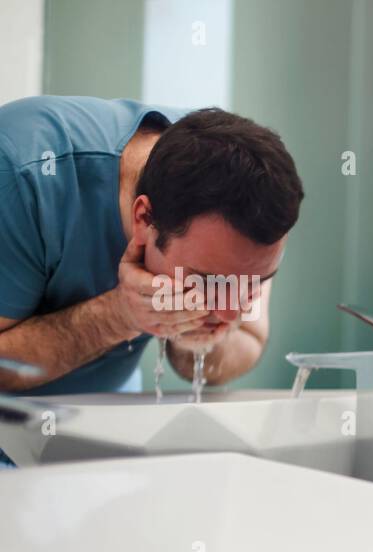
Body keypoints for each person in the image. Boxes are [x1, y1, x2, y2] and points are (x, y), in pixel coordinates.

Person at [0, 96, 304, 428]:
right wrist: (118, 317)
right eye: (207, 281)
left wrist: (195, 334)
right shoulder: (22, 176)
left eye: (253, 284)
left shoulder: (249, 202)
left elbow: (247, 338)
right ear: (144, 219)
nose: (233, 310)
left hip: (100, 412)